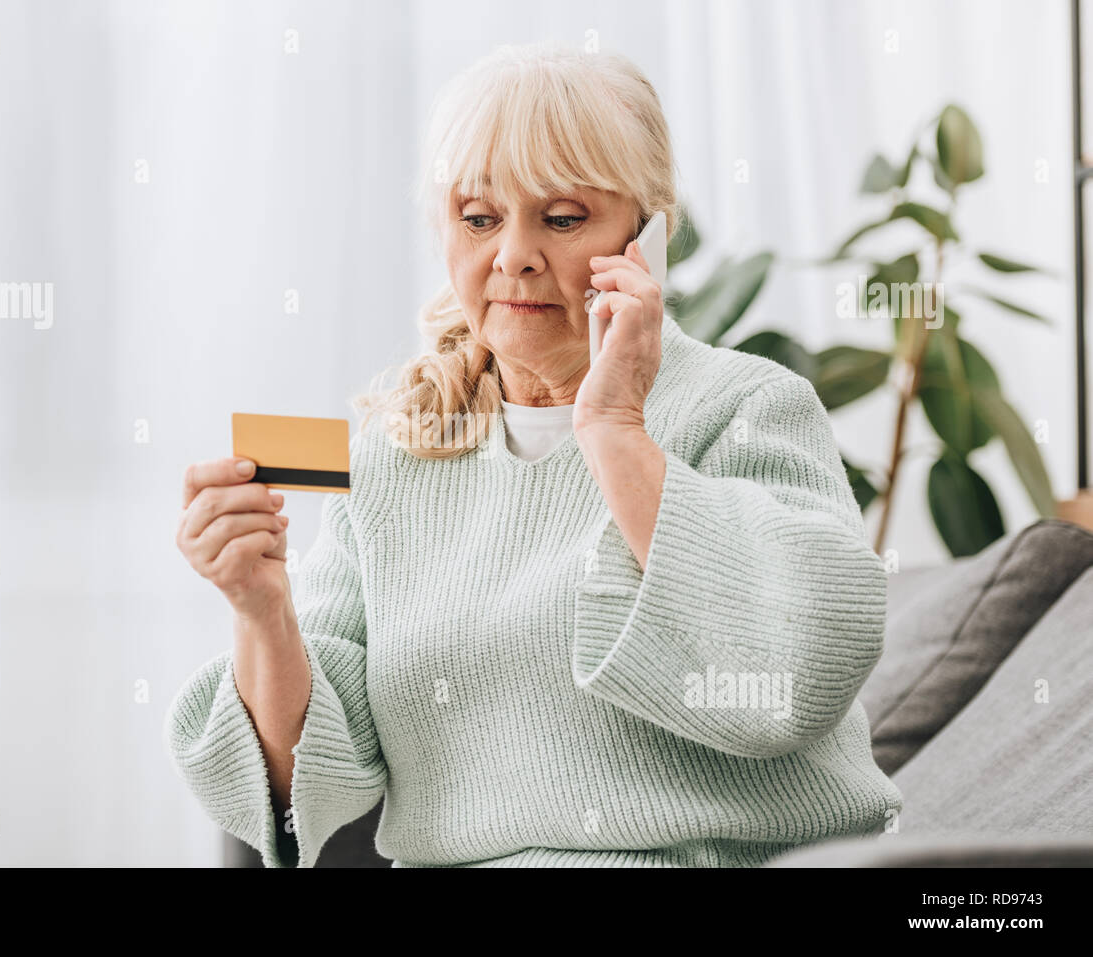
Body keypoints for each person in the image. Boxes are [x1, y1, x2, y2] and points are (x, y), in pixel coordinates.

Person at [165, 40, 902, 867]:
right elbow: (308, 788)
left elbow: (799, 670)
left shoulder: (745, 407)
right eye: (479, 218)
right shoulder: (396, 458)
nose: (513, 254)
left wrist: (617, 428)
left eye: (561, 217)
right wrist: (262, 609)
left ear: (648, 234)